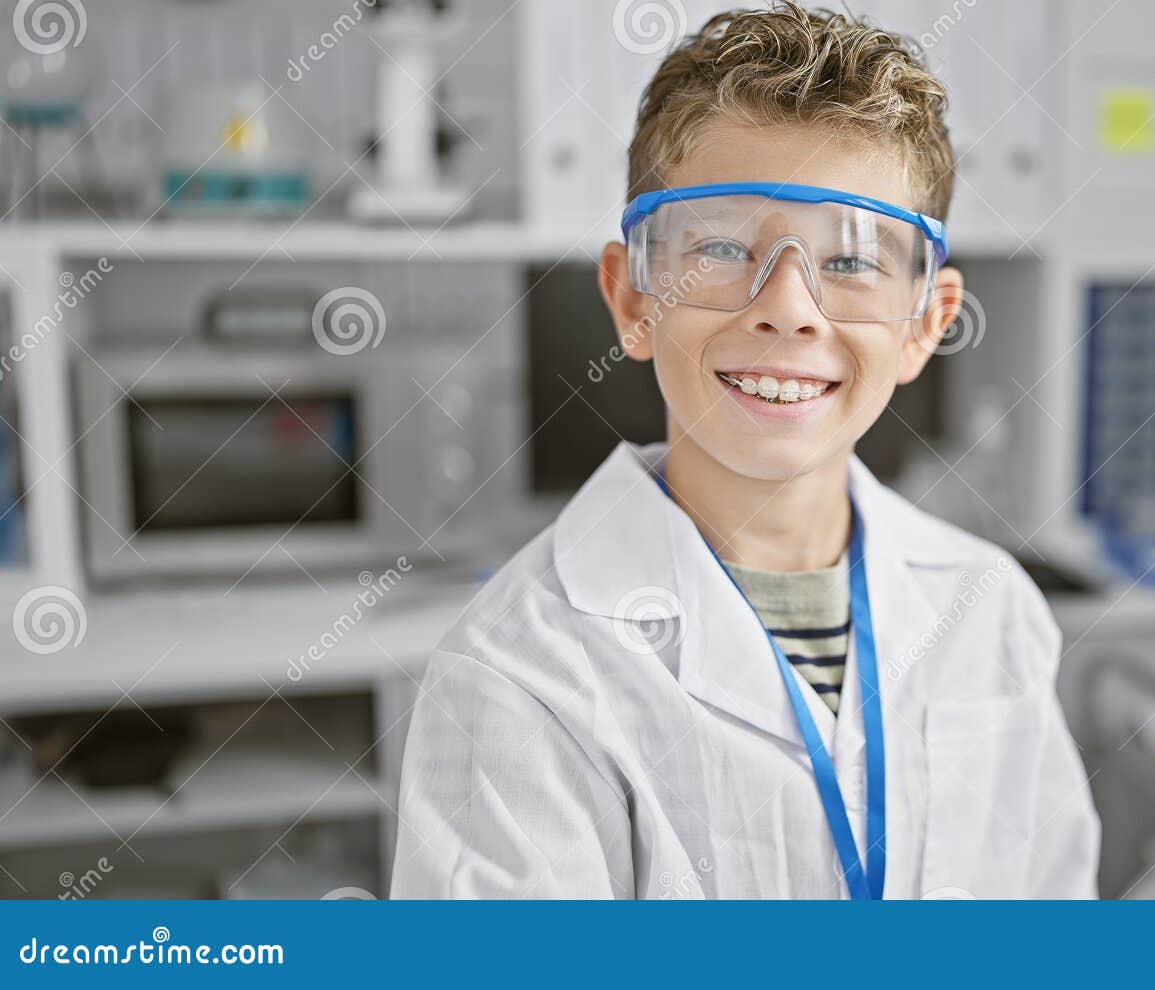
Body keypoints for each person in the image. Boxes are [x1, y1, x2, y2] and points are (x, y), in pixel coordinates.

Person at [391, 1, 1100, 899]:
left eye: (851, 260)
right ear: (633, 300)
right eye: (724, 246)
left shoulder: (993, 612)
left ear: (927, 324)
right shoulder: (519, 674)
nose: (791, 305)